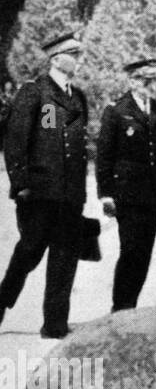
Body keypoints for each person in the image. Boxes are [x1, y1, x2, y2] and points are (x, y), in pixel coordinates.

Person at [0, 33, 90, 338]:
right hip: (39, 192)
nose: (79, 60)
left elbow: (77, 149)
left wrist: (81, 193)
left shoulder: (77, 98)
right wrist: (21, 183)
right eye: (73, 55)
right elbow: (16, 140)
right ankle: (1, 301)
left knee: (65, 258)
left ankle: (54, 323)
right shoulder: (35, 93)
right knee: (29, 252)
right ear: (56, 59)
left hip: (69, 195)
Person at [96, 57, 156, 311]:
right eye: (145, 81)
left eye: (152, 81)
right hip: (127, 194)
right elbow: (105, 155)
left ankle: (131, 305)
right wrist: (105, 194)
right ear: (132, 81)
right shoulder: (116, 110)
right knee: (131, 250)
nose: (149, 86)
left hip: (153, 193)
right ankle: (120, 307)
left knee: (144, 253)